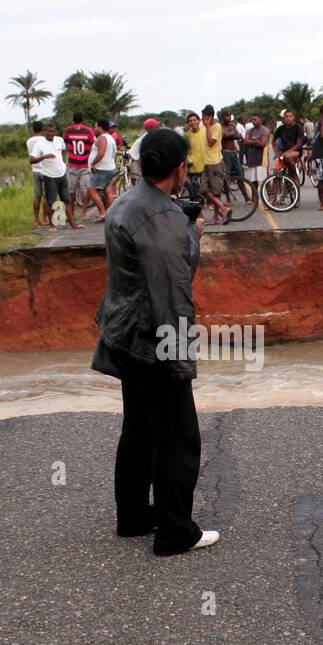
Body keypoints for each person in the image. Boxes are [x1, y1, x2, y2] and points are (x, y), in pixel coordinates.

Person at [91, 127, 219, 556]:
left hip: (123, 333)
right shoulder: (164, 221)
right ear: (180, 168)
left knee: (141, 428)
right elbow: (172, 294)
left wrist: (188, 234)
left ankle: (132, 516)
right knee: (179, 437)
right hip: (153, 338)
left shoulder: (125, 201)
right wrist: (181, 363)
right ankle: (175, 532)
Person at [29, 121, 75, 229]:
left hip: (62, 174)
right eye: (48, 131)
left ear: (55, 132)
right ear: (45, 131)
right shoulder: (39, 144)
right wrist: (44, 157)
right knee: (51, 202)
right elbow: (31, 160)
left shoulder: (59, 140)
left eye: (52, 131)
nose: (50, 133)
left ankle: (73, 224)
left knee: (67, 200)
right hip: (49, 176)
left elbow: (64, 151)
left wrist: (64, 162)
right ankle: (52, 224)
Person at [198, 105, 231, 225]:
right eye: (202, 117)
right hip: (206, 162)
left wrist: (207, 127)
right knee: (203, 189)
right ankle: (224, 208)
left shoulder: (217, 127)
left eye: (205, 117)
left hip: (215, 162)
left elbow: (211, 142)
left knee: (216, 191)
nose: (203, 119)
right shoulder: (203, 125)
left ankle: (217, 217)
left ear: (210, 116)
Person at [63, 112, 96, 223]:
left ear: (73, 119)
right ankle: (84, 213)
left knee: (71, 190)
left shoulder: (67, 130)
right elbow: (92, 147)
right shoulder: (89, 131)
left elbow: (67, 146)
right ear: (82, 119)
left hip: (72, 163)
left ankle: (71, 213)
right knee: (84, 189)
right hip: (85, 163)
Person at [86, 118, 118, 222]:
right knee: (107, 191)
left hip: (102, 169)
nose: (95, 129)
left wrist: (92, 164)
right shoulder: (111, 138)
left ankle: (102, 212)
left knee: (91, 190)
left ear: (100, 127)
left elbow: (101, 153)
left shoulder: (102, 138)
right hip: (110, 167)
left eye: (96, 127)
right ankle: (110, 214)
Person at [219, 110, 252, 204]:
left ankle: (246, 198)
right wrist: (232, 133)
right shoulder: (220, 126)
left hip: (233, 153)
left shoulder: (232, 125)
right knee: (226, 176)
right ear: (222, 117)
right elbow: (224, 135)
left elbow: (239, 136)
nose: (228, 118)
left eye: (229, 116)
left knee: (240, 175)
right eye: (226, 116)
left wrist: (231, 134)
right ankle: (228, 199)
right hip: (225, 153)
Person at [242, 112, 271, 203]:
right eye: (252, 120)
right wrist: (256, 141)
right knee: (253, 179)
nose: (253, 121)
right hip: (251, 156)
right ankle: (254, 197)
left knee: (265, 178)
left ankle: (271, 197)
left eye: (255, 119)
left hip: (262, 157)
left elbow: (262, 144)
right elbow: (245, 141)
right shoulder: (249, 130)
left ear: (260, 119)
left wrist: (252, 140)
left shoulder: (265, 130)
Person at [28, 120, 50, 227]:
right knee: (46, 196)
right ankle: (44, 218)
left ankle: (36, 219)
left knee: (37, 196)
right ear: (42, 129)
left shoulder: (29, 141)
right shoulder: (45, 140)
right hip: (45, 170)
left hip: (35, 170)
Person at [273, 110, 305, 181]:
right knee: (275, 174)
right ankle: (277, 191)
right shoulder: (280, 128)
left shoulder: (298, 128)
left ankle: (294, 176)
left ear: (294, 118)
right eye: (286, 116)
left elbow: (299, 144)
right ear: (283, 118)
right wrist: (276, 152)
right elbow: (273, 141)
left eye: (290, 116)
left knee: (287, 156)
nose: (288, 118)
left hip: (296, 151)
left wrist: (287, 152)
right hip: (283, 152)